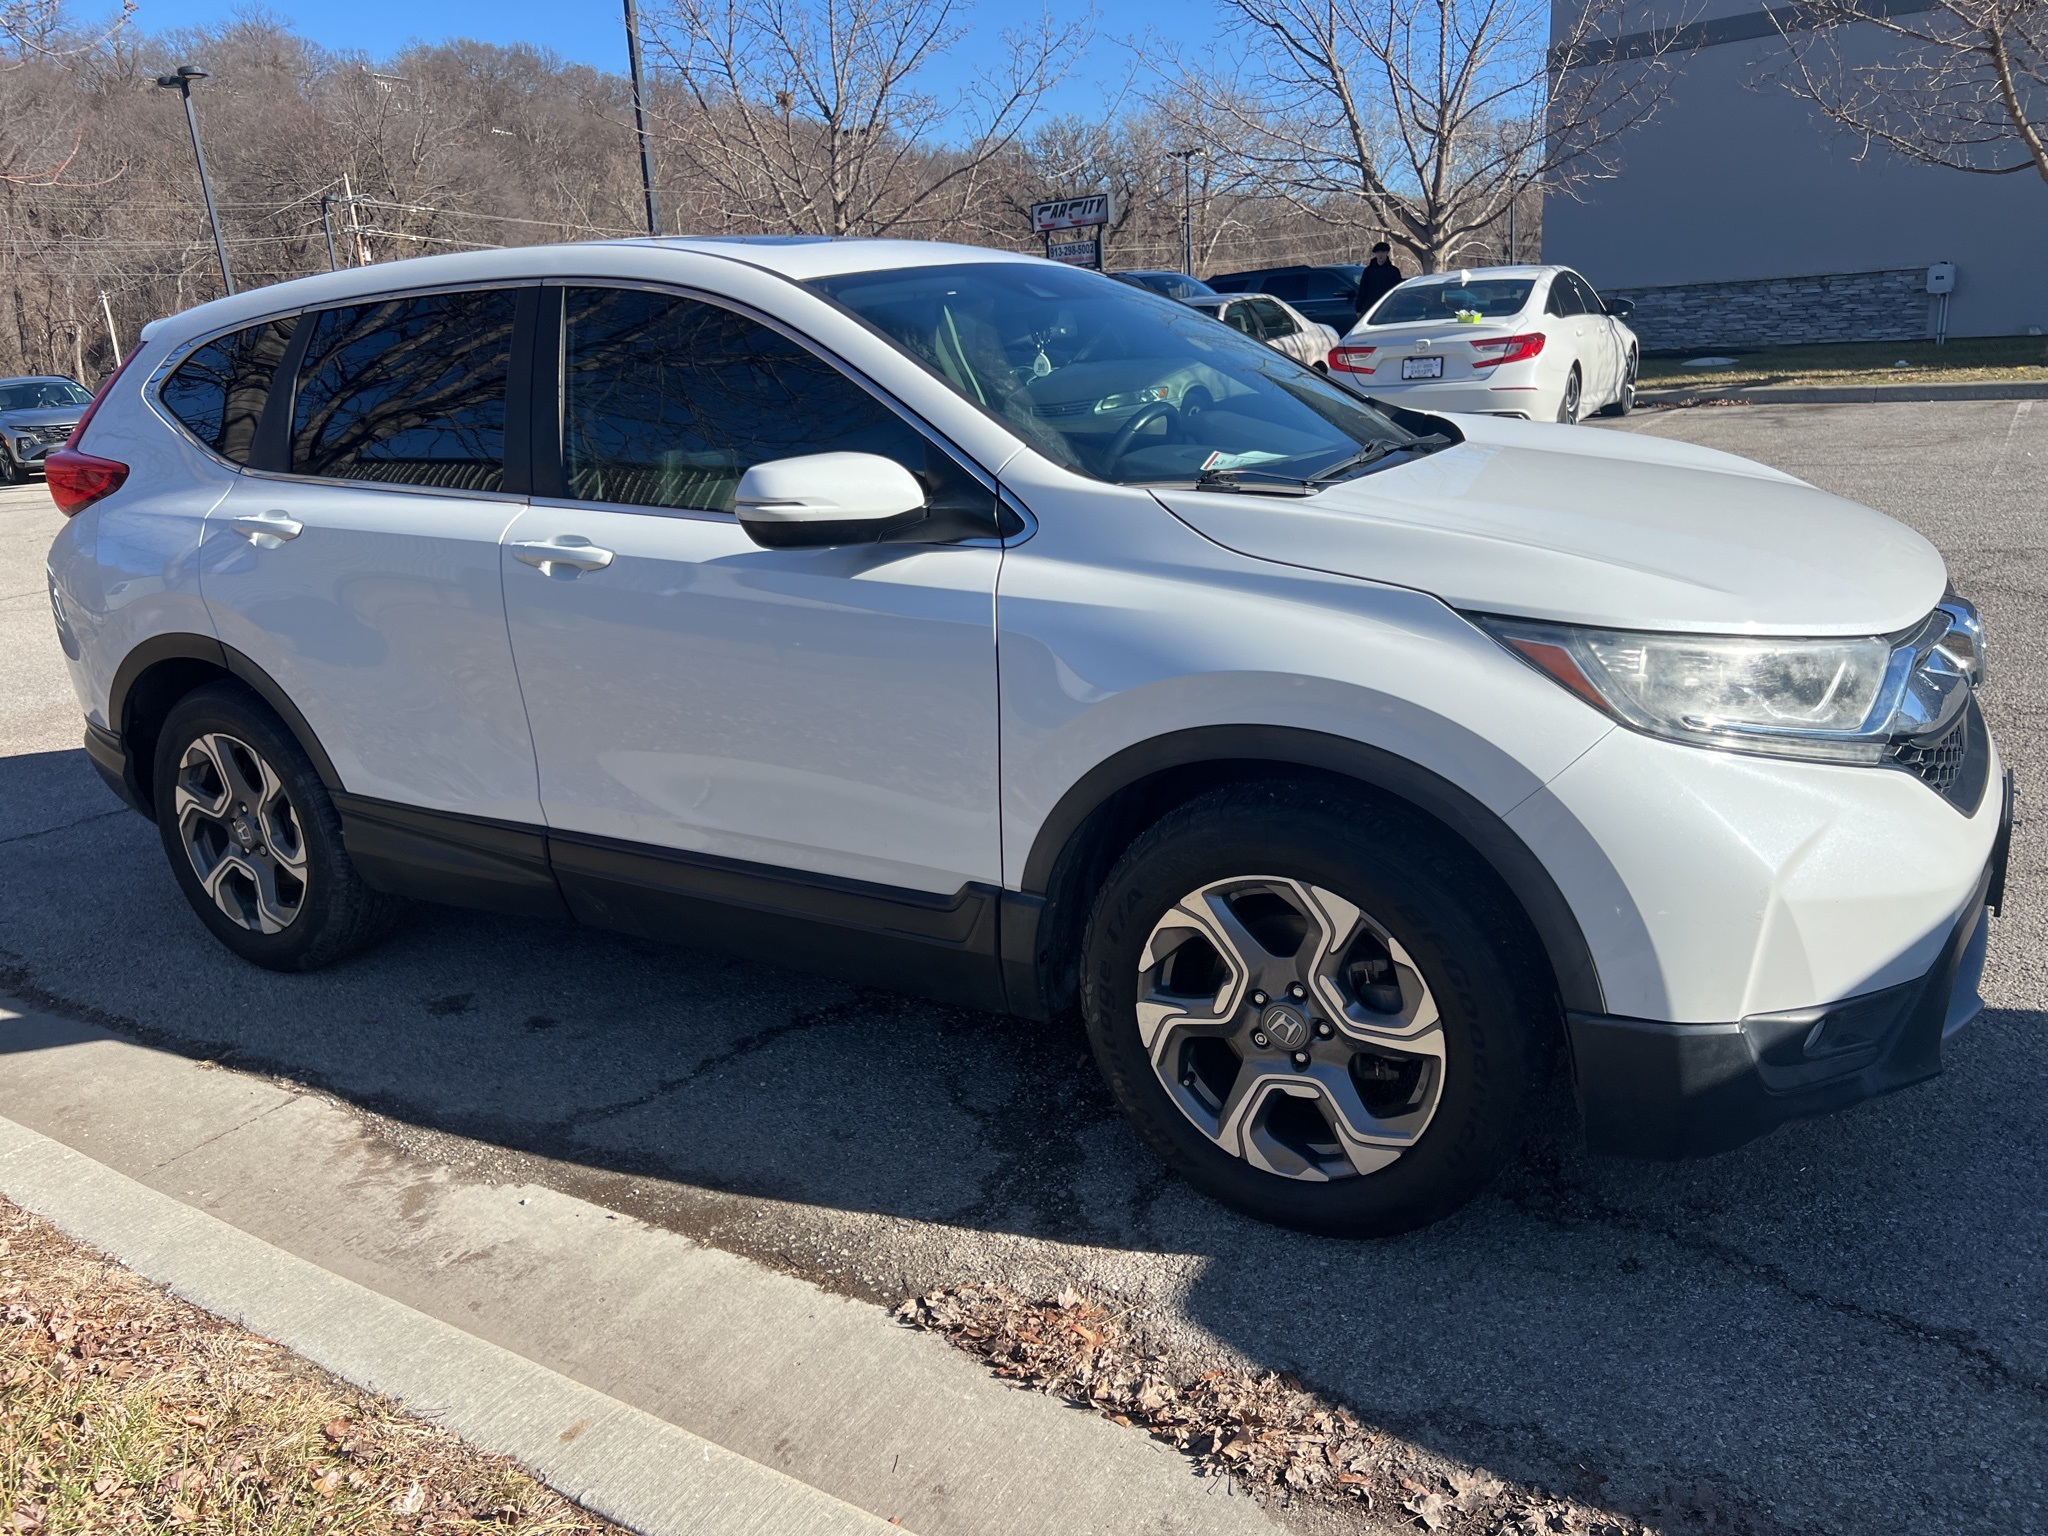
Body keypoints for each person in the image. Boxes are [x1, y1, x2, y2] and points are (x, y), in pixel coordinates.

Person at [1353, 242, 1404, 322]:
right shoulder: (1368, 271)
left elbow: (1398, 290)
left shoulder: (1393, 271)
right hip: (1370, 306)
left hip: (1388, 306)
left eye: (1383, 252)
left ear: (1387, 253)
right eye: (1378, 252)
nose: (1380, 255)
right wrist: (1358, 309)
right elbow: (1363, 289)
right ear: (1375, 253)